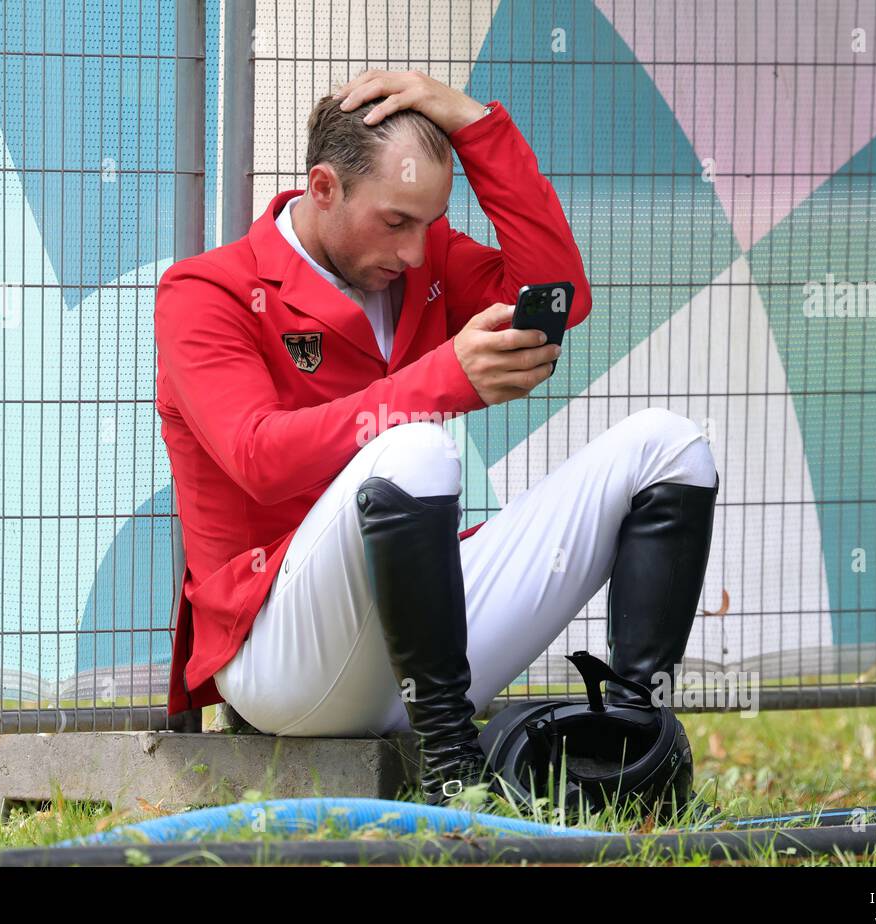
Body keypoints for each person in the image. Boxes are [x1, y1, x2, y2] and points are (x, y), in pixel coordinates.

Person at [154, 69, 718, 805]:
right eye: (396, 222)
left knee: (668, 444)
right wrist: (444, 378)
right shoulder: (207, 290)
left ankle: (633, 755)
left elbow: (561, 294)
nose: (418, 253)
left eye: (432, 223)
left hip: (416, 661)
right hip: (283, 667)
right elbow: (260, 459)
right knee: (416, 447)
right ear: (324, 188)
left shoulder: (422, 262)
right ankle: (452, 774)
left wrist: (476, 124)